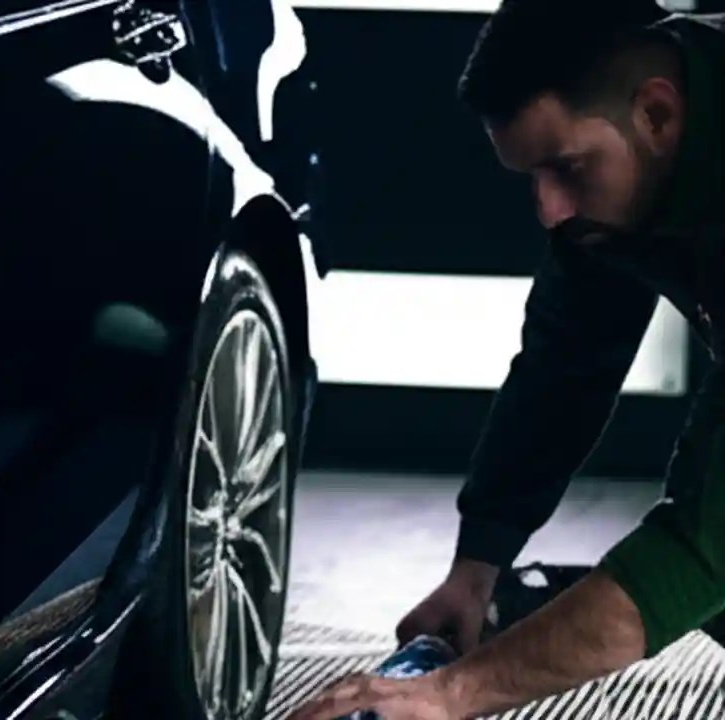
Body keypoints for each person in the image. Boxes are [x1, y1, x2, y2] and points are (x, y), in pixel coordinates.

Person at [287, 1, 725, 718]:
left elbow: (704, 547)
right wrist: (477, 568)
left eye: (566, 168)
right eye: (532, 177)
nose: (549, 209)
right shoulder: (616, 182)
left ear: (657, 113)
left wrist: (451, 693)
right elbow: (564, 365)